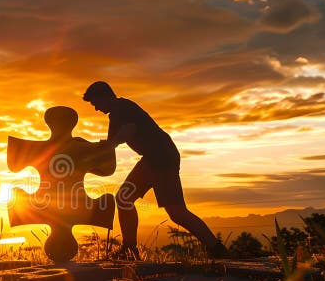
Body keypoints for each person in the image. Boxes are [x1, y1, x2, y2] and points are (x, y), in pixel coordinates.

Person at [83, 81, 228, 259]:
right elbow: (109, 146)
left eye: (95, 103)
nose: (96, 108)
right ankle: (129, 249)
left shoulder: (122, 106)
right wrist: (89, 150)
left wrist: (107, 146)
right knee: (124, 198)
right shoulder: (114, 115)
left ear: (104, 96)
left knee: (177, 212)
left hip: (161, 158)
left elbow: (128, 130)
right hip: (152, 159)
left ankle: (217, 249)